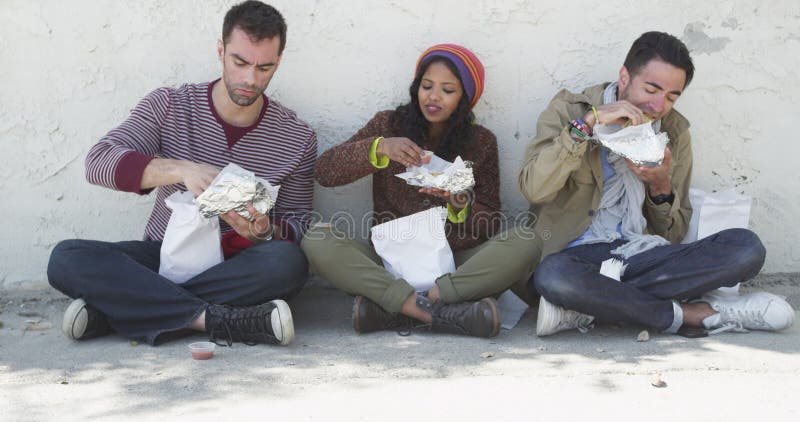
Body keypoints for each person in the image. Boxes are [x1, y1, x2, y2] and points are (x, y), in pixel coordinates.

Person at [47, 1, 317, 346]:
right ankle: (216, 319)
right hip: (164, 255)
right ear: (220, 51)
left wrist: (262, 231)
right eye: (240, 62)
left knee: (289, 264)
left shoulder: (297, 137)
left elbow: (298, 224)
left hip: (234, 264)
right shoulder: (170, 105)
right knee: (66, 258)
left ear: (278, 62)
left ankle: (119, 310)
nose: (250, 79)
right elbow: (99, 162)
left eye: (264, 67)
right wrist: (182, 169)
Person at [519, 31, 794, 337]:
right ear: (624, 77)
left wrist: (660, 185)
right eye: (651, 89)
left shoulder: (674, 132)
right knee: (553, 276)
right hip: (576, 257)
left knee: (746, 248)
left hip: (642, 254)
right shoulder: (570, 110)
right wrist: (587, 125)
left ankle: (588, 304)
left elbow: (672, 234)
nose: (658, 105)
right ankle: (695, 313)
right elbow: (534, 188)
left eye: (672, 96)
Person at [302, 44, 542, 338]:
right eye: (426, 86)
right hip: (389, 263)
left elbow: (491, 222)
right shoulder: (388, 125)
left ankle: (399, 308)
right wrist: (378, 148)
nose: (433, 96)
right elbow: (324, 171)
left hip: (452, 267)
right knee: (316, 239)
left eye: (448, 90)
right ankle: (437, 313)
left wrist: (459, 202)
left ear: (465, 99)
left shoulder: (481, 143)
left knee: (528, 241)